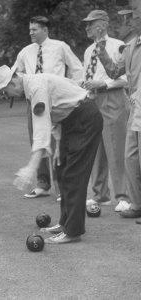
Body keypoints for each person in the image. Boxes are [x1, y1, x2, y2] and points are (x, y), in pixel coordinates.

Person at [0, 65, 102, 244]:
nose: (6, 96)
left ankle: (73, 232)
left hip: (84, 119)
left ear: (13, 82)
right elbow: (56, 114)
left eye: (4, 91)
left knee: (74, 175)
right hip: (71, 121)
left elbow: (41, 130)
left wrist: (31, 167)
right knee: (63, 172)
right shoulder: (33, 86)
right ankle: (65, 223)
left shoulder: (36, 88)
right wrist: (58, 148)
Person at [13, 16, 83, 200]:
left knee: (59, 143)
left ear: (45, 29)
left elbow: (77, 68)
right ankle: (43, 184)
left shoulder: (60, 47)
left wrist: (73, 88)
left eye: (34, 29)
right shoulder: (25, 52)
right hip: (35, 102)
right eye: (29, 30)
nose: (31, 33)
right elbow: (15, 73)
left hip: (57, 103)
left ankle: (61, 188)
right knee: (38, 140)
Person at [82, 10, 129, 212]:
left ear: (102, 24)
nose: (86, 28)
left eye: (90, 24)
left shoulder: (118, 45)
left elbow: (127, 78)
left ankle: (124, 196)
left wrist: (103, 84)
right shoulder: (87, 51)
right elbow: (87, 75)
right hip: (93, 101)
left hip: (113, 99)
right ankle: (100, 195)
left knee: (116, 149)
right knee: (96, 149)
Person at [96, 5, 141, 219]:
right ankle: (137, 204)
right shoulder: (131, 46)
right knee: (131, 158)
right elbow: (115, 71)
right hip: (135, 109)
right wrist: (102, 53)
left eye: (128, 19)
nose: (123, 24)